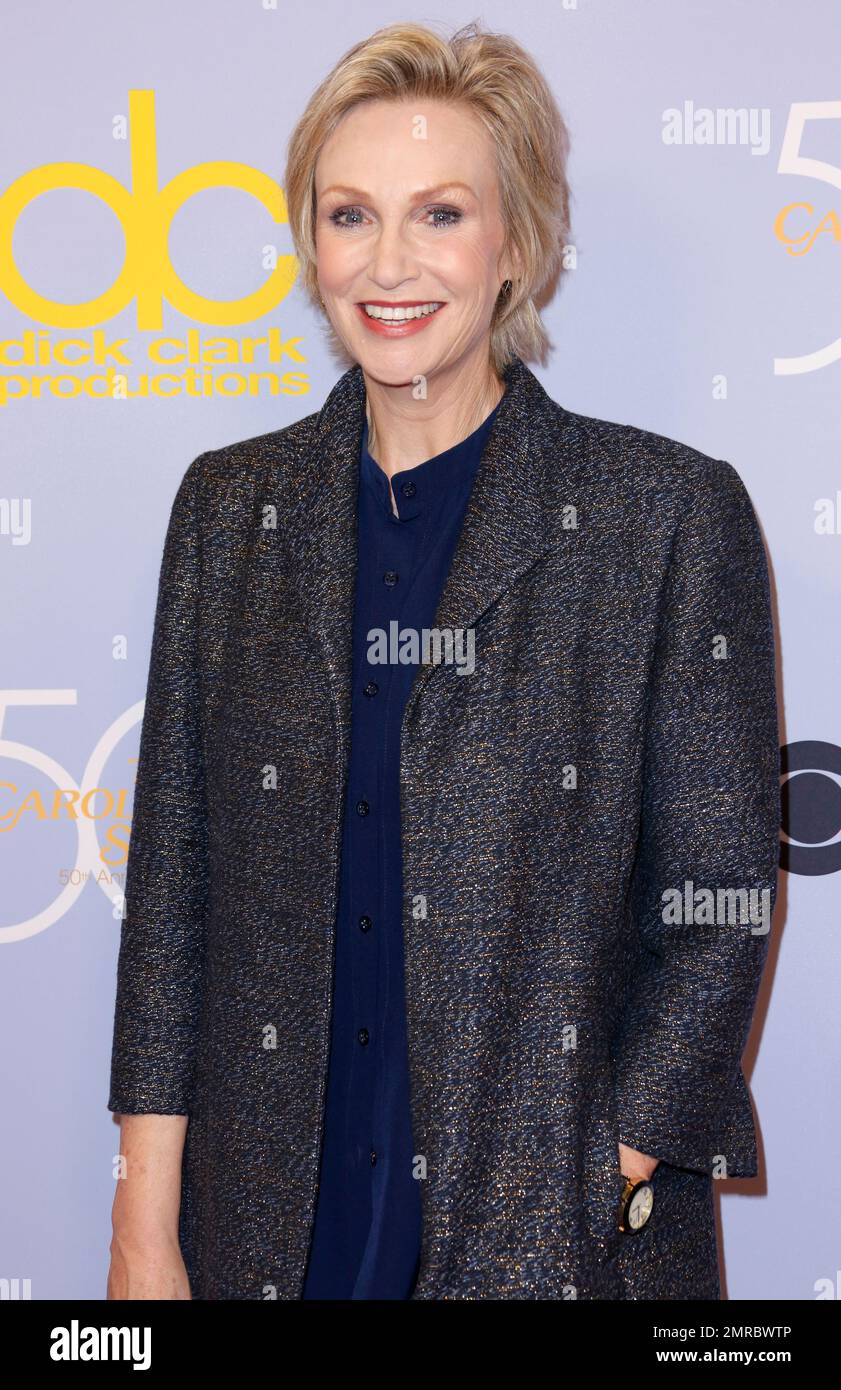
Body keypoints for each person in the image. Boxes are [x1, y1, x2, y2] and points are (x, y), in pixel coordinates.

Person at [107, 20, 780, 1301]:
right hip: (269, 1236)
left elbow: (720, 901)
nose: (391, 264)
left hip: (556, 1240)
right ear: (310, 245)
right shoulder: (228, 510)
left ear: (516, 245)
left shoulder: (661, 514)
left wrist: (607, 1165)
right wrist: (146, 1220)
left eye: (441, 214)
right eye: (351, 215)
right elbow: (176, 889)